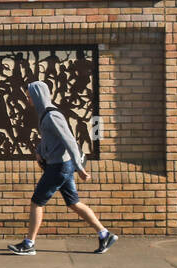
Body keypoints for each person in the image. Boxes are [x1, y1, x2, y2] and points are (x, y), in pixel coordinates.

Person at [7, 80, 117, 255]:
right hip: (59, 165)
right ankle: (104, 234)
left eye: (29, 96)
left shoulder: (52, 115)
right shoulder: (45, 114)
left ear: (37, 95)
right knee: (74, 203)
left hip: (59, 167)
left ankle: (29, 244)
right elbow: (49, 139)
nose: (28, 99)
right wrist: (39, 151)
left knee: (37, 202)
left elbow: (69, 140)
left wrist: (79, 167)